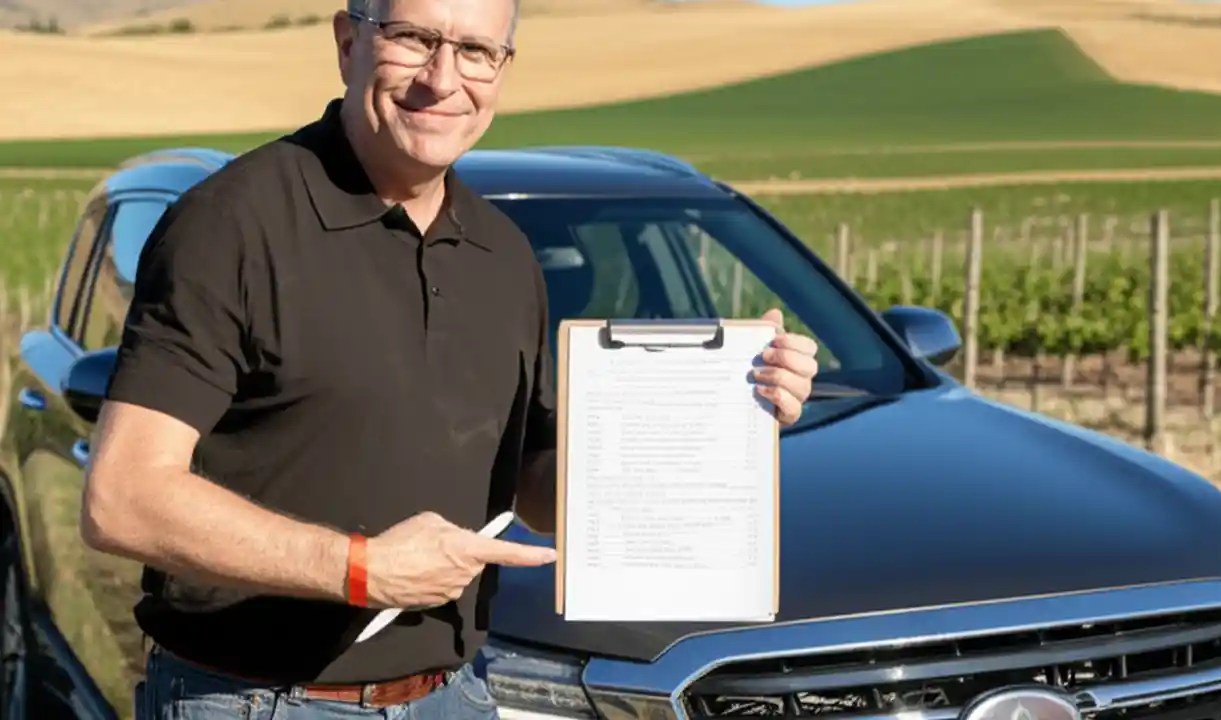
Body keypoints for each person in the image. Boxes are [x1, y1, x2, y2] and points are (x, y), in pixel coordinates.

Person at [80, 0, 821, 717]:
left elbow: (531, 488)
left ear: (503, 66)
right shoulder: (232, 225)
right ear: (347, 42)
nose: (443, 78)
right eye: (412, 38)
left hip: (455, 694)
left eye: (476, 50)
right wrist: (360, 568)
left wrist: (723, 425)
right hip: (257, 700)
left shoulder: (503, 256)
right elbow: (123, 498)